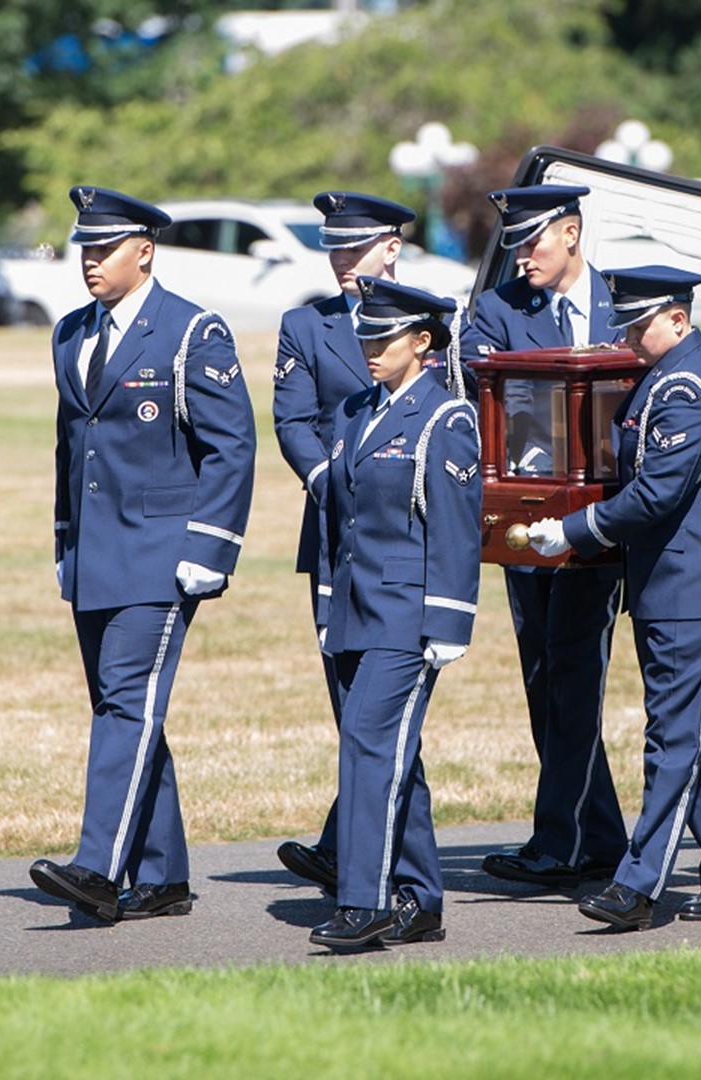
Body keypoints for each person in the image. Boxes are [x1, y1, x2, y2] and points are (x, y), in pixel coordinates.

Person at [29, 186, 256, 923]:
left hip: (162, 554)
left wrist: (208, 547)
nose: (90, 262)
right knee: (125, 707)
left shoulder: (192, 332)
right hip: (97, 553)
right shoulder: (70, 333)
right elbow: (71, 447)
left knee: (127, 703)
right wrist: (66, 540)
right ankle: (163, 877)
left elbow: (231, 447)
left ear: (145, 250)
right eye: (84, 249)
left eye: (105, 249)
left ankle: (99, 866)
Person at [527, 266, 701, 931]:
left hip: (696, 591)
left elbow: (657, 493)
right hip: (673, 588)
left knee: (672, 738)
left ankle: (639, 884)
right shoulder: (665, 375)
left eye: (638, 323)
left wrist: (573, 531)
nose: (628, 334)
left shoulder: (687, 385)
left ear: (678, 320)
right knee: (693, 732)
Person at [458, 184, 629, 890]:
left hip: (612, 520)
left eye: (534, 241)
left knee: (576, 670)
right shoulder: (496, 310)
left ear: (571, 233)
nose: (522, 255)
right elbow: (482, 384)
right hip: (531, 520)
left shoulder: (628, 301)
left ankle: (562, 840)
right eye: (515, 243)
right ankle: (595, 837)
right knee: (547, 675)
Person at [308, 276, 481, 950]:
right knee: (393, 755)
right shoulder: (355, 411)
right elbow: (335, 520)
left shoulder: (445, 419)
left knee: (369, 744)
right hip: (356, 608)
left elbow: (456, 530)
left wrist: (448, 623)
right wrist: (327, 603)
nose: (369, 346)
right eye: (365, 334)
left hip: (408, 616)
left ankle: (365, 900)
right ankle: (421, 897)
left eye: (383, 337)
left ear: (422, 342)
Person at [270, 191, 420, 895]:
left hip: (406, 538)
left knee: (383, 710)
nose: (341, 261)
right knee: (352, 705)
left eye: (354, 248)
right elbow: (293, 420)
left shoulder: (428, 321)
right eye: (333, 247)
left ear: (391, 247)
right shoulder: (306, 325)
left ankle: (376, 865)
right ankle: (368, 855)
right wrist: (330, 475)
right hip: (336, 529)